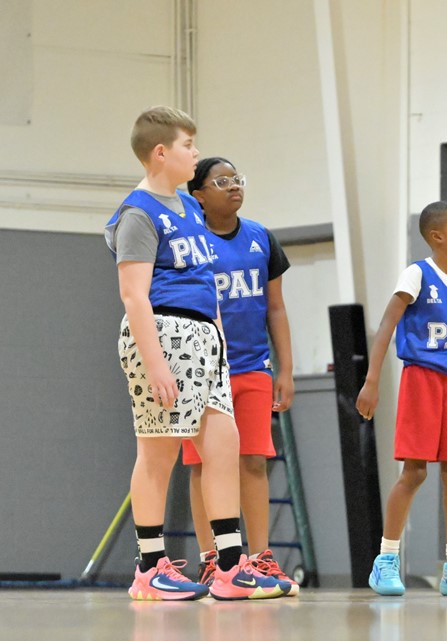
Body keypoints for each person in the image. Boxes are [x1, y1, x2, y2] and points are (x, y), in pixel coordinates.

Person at [105, 106, 285, 601]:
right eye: (188, 145)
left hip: (206, 340)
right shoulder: (139, 213)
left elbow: (206, 285)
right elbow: (134, 295)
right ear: (161, 153)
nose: (196, 153)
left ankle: (228, 565)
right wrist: (156, 362)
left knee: (224, 446)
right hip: (163, 334)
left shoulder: (188, 209)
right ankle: (148, 567)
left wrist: (220, 345)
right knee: (158, 451)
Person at [355, 201, 447, 597]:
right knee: (414, 472)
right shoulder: (417, 274)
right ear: (436, 236)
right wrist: (372, 380)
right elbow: (386, 325)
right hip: (422, 379)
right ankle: (385, 559)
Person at [180, 157, 298, 595]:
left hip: (252, 367)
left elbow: (277, 308)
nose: (233, 186)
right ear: (199, 196)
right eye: (221, 181)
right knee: (203, 464)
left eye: (236, 179)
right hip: (204, 370)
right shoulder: (189, 242)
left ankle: (260, 557)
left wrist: (285, 369)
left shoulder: (261, 238)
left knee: (253, 460)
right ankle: (213, 559)